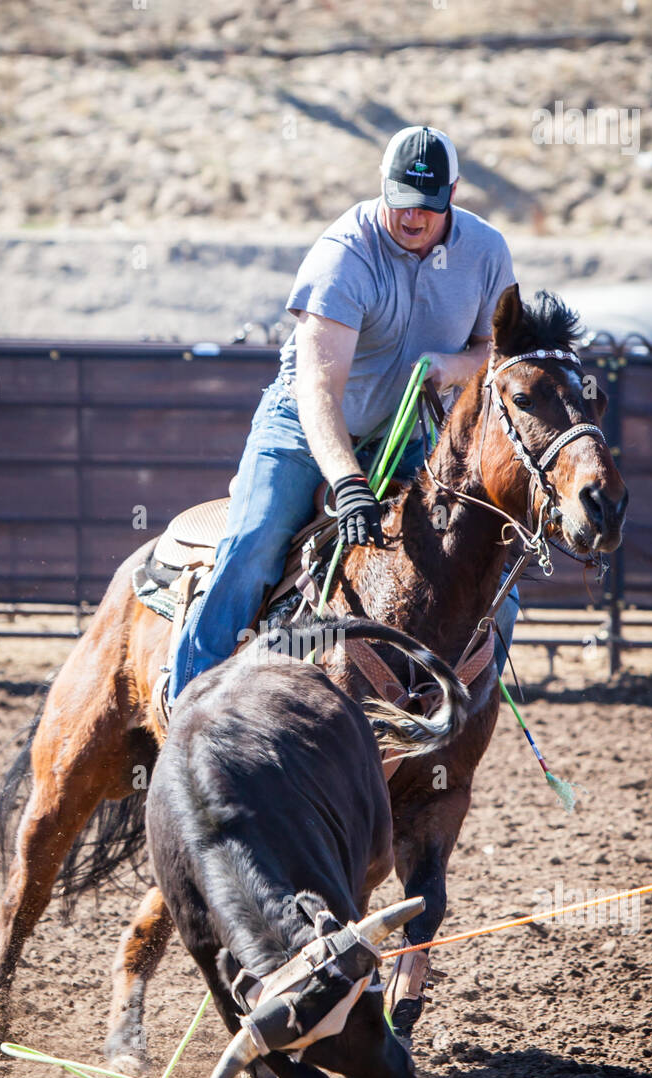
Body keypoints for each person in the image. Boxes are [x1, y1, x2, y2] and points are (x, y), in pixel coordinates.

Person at [169, 125, 520, 706]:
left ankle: (441, 709)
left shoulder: (487, 252)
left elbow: (499, 350)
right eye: (400, 202)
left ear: (453, 194)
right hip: (305, 426)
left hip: (409, 431)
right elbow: (318, 390)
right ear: (382, 187)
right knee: (253, 546)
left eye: (427, 209)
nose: (412, 219)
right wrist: (348, 480)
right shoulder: (343, 255)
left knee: (473, 562)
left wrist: (452, 365)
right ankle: (188, 707)